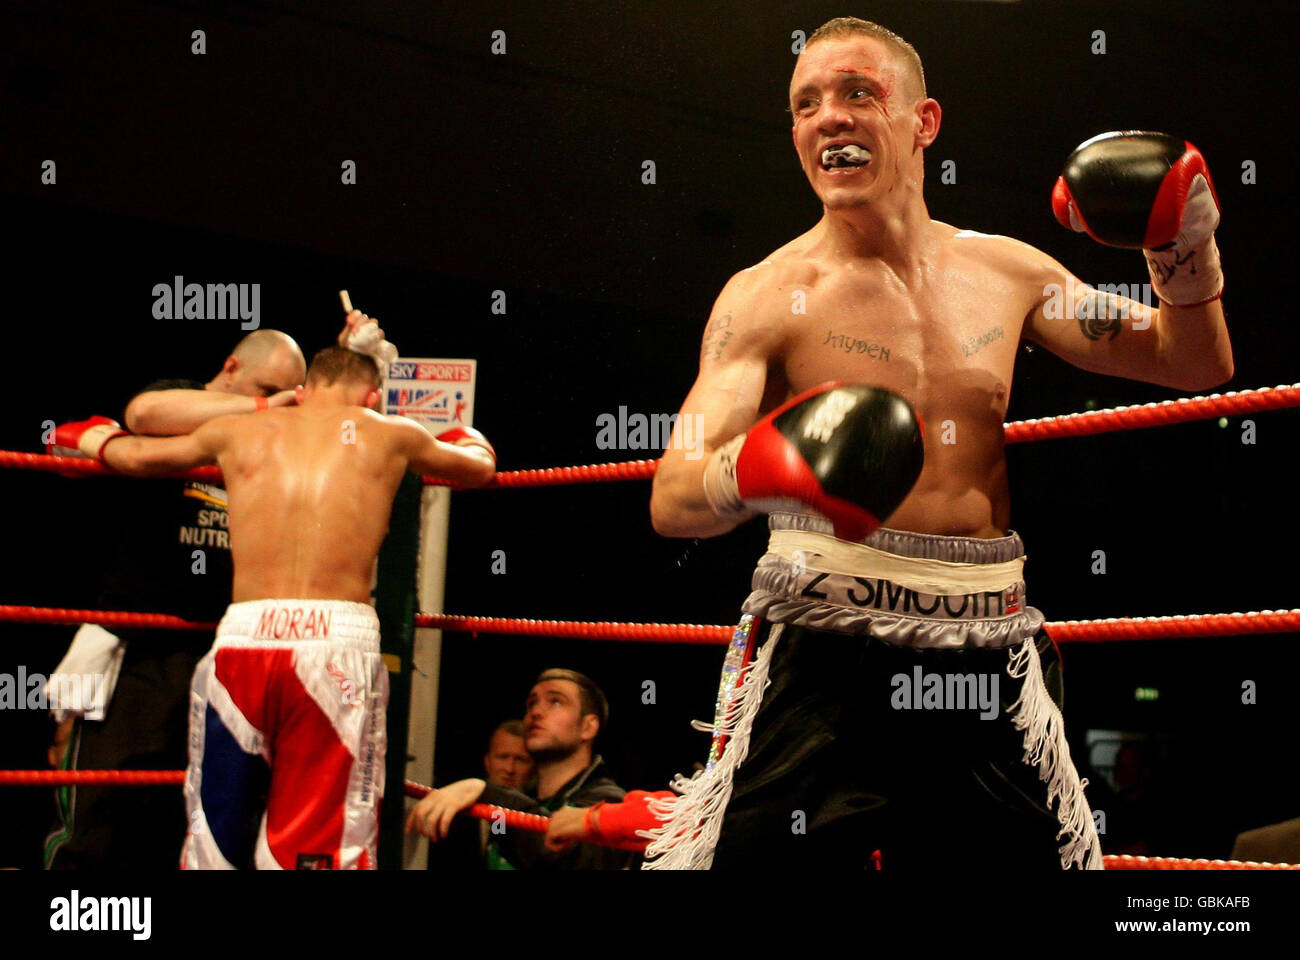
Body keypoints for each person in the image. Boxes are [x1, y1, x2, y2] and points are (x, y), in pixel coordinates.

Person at [644, 17, 1233, 871]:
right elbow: (672, 496)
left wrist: (1183, 245)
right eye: (805, 104)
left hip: (984, 653)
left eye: (858, 94)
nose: (829, 118)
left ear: (923, 123)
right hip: (824, 655)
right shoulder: (766, 297)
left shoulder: (1008, 273)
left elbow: (1193, 362)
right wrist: (759, 466)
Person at [53, 342, 497, 869]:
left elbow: (137, 455)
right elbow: (478, 467)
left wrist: (93, 437)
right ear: (372, 395)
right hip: (334, 645)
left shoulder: (239, 429)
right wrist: (469, 438)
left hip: (245, 638)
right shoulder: (389, 432)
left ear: (302, 391)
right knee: (318, 843)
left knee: (211, 837)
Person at [44, 328, 306, 869]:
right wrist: (263, 407)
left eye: (289, 394)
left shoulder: (270, 438)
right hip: (136, 643)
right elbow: (144, 412)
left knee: (191, 817)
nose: (279, 404)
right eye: (267, 388)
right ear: (231, 368)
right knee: (97, 820)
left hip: (219, 646)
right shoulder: (182, 403)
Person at [407, 669, 636, 869]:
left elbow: (563, 860)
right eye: (531, 703)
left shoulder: (609, 802)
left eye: (555, 701)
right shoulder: (524, 797)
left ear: (587, 727)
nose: (536, 711)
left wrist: (486, 791)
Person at [427, 720, 535, 871]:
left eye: (521, 760)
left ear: (533, 767)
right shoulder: (456, 812)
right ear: (487, 762)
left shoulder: (537, 819)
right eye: (503, 757)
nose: (509, 769)